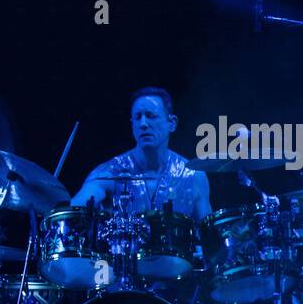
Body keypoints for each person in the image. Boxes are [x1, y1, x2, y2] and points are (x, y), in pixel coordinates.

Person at [70, 87, 212, 220]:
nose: (143, 124)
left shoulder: (193, 176)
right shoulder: (108, 173)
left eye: (151, 116)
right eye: (137, 117)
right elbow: (72, 212)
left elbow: (210, 238)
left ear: (172, 123)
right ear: (132, 125)